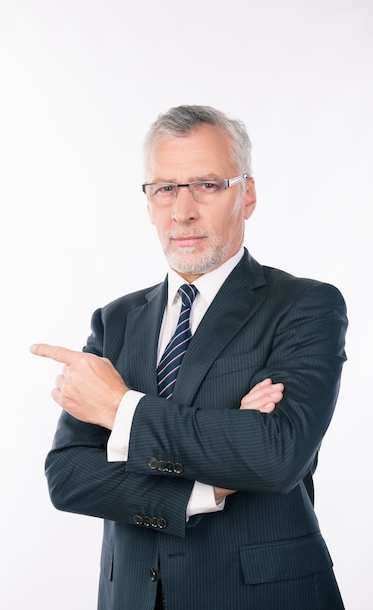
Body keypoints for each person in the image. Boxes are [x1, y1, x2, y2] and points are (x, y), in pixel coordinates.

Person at [31, 105, 347, 610]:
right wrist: (211, 483)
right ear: (149, 201)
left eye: (206, 185)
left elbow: (276, 455)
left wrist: (120, 412)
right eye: (164, 189)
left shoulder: (305, 306)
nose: (182, 211)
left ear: (247, 195)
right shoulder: (114, 322)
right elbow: (69, 476)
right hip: (132, 596)